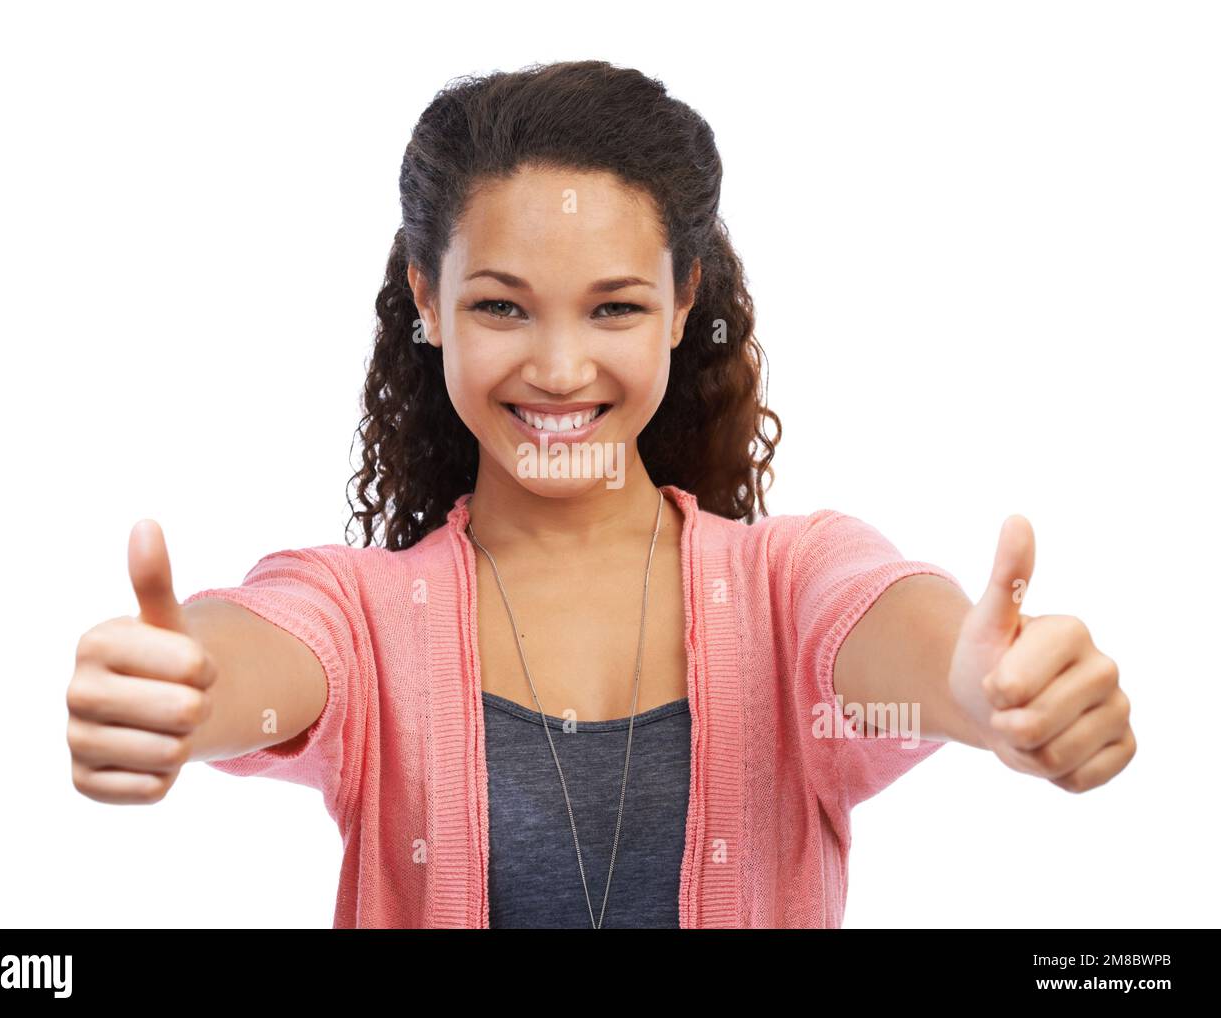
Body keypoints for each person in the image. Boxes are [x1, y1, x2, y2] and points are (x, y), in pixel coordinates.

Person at [66, 59, 1135, 928]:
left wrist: (980, 690)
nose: (562, 369)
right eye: (501, 307)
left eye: (614, 309)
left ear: (683, 305)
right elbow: (257, 654)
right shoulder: (364, 614)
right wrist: (185, 689)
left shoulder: (786, 581)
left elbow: (893, 632)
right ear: (426, 300)